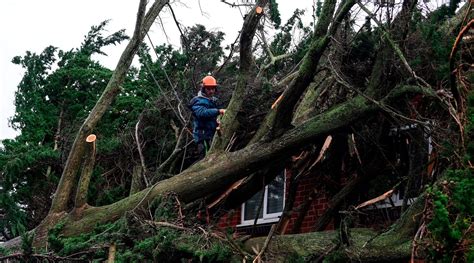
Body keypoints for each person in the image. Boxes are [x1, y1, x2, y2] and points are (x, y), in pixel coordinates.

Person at [188, 75, 226, 159]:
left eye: (213, 88)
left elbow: (212, 117)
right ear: (203, 89)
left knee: (214, 157)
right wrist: (218, 111)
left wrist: (218, 120)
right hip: (203, 136)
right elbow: (202, 113)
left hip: (211, 134)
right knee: (205, 159)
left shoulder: (212, 100)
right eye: (208, 89)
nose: (211, 91)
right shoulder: (197, 101)